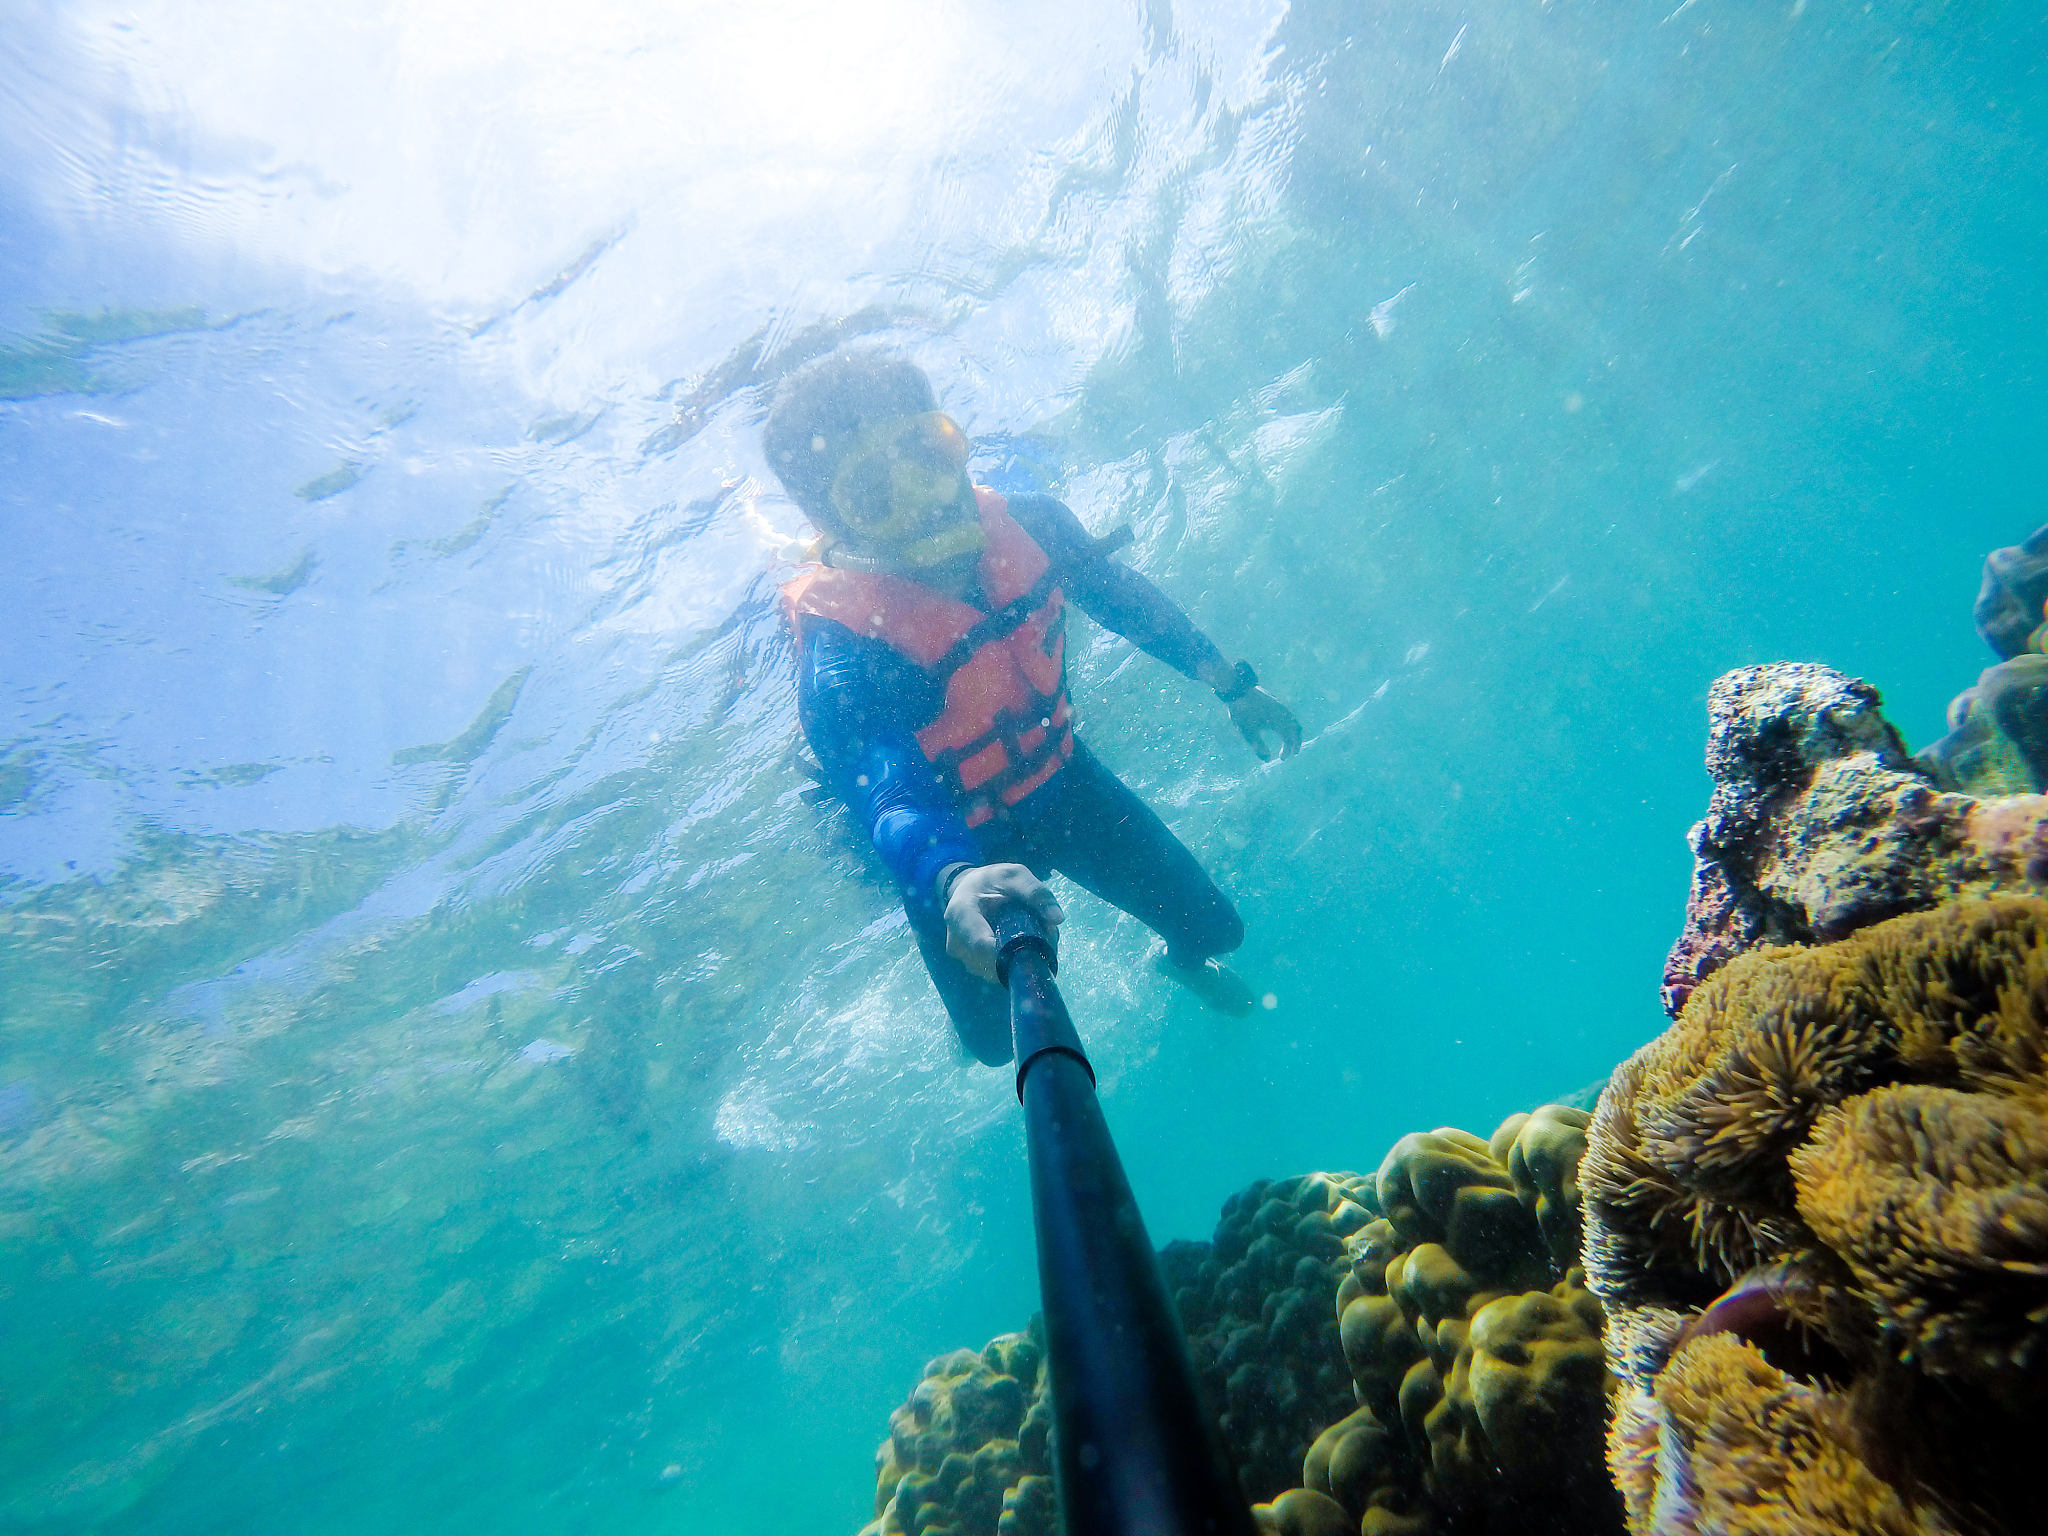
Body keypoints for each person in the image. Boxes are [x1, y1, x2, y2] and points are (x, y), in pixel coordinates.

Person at [766, 349, 1301, 1065]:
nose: (925, 499)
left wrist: (1231, 685)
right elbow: (888, 790)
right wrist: (954, 879)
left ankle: (1181, 967)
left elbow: (1123, 599)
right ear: (835, 526)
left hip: (1064, 784)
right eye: (874, 492)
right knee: (995, 1044)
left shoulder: (1033, 526)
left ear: (953, 442)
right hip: (956, 840)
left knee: (1214, 931)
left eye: (926, 454)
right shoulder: (844, 647)